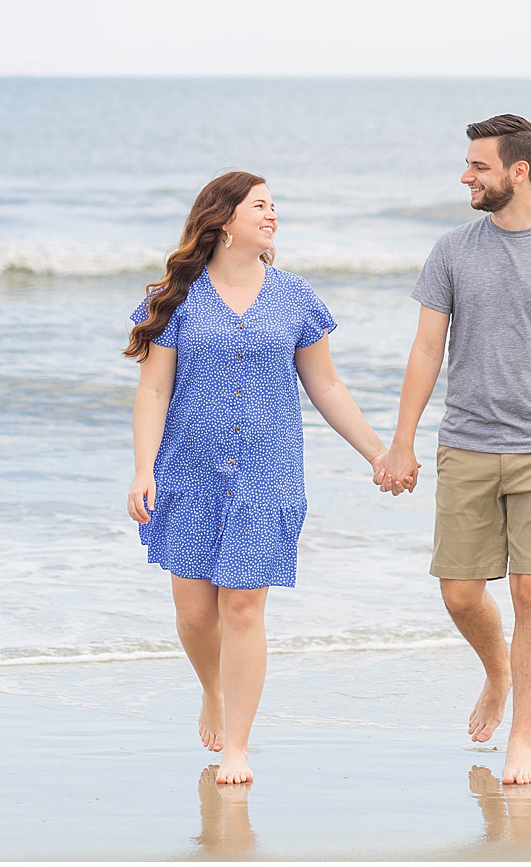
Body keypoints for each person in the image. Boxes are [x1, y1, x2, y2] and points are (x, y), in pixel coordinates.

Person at [126, 170, 388, 786]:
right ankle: (212, 692)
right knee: (195, 615)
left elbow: (325, 385)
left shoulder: (295, 297)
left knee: (242, 607)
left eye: (274, 206)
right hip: (188, 471)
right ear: (223, 219)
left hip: (267, 472)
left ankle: (237, 747)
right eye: (260, 206)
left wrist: (377, 452)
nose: (272, 216)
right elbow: (154, 387)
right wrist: (143, 468)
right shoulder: (177, 296)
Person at [375, 114, 531, 787]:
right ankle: (497, 668)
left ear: (519, 171)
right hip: (468, 442)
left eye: (478, 165)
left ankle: (523, 741)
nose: (465, 176)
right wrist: (402, 439)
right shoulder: (452, 250)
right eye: (467, 164)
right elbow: (426, 349)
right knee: (458, 593)